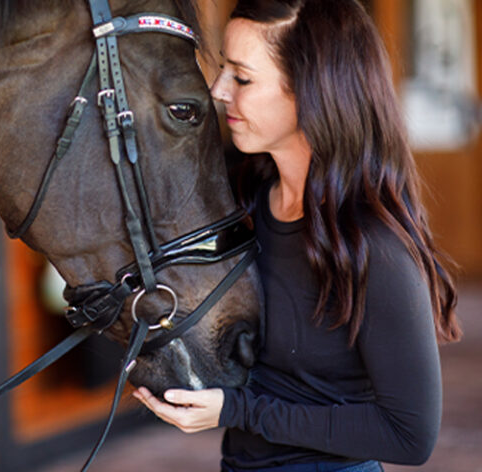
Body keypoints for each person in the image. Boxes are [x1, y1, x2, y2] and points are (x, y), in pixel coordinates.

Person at [132, 0, 463, 470]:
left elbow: (409, 435)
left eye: (242, 77)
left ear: (311, 91)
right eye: (223, 68)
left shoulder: (375, 245)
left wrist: (237, 411)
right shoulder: (245, 199)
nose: (218, 89)